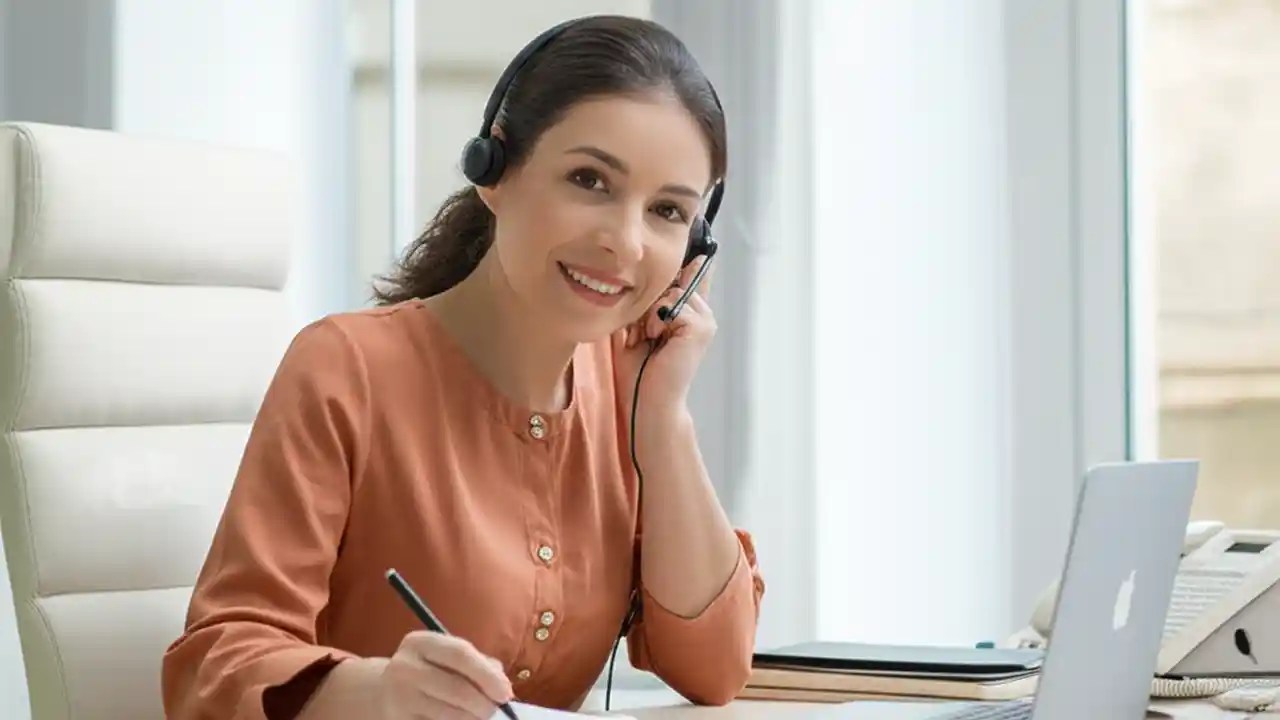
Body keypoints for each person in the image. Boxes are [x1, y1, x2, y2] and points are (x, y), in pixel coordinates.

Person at [161, 14, 764, 720]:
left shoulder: (627, 391)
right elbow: (216, 662)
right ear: (494, 171)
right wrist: (377, 693)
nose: (626, 243)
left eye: (666, 211)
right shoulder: (347, 369)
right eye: (590, 180)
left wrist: (662, 421)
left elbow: (716, 669)